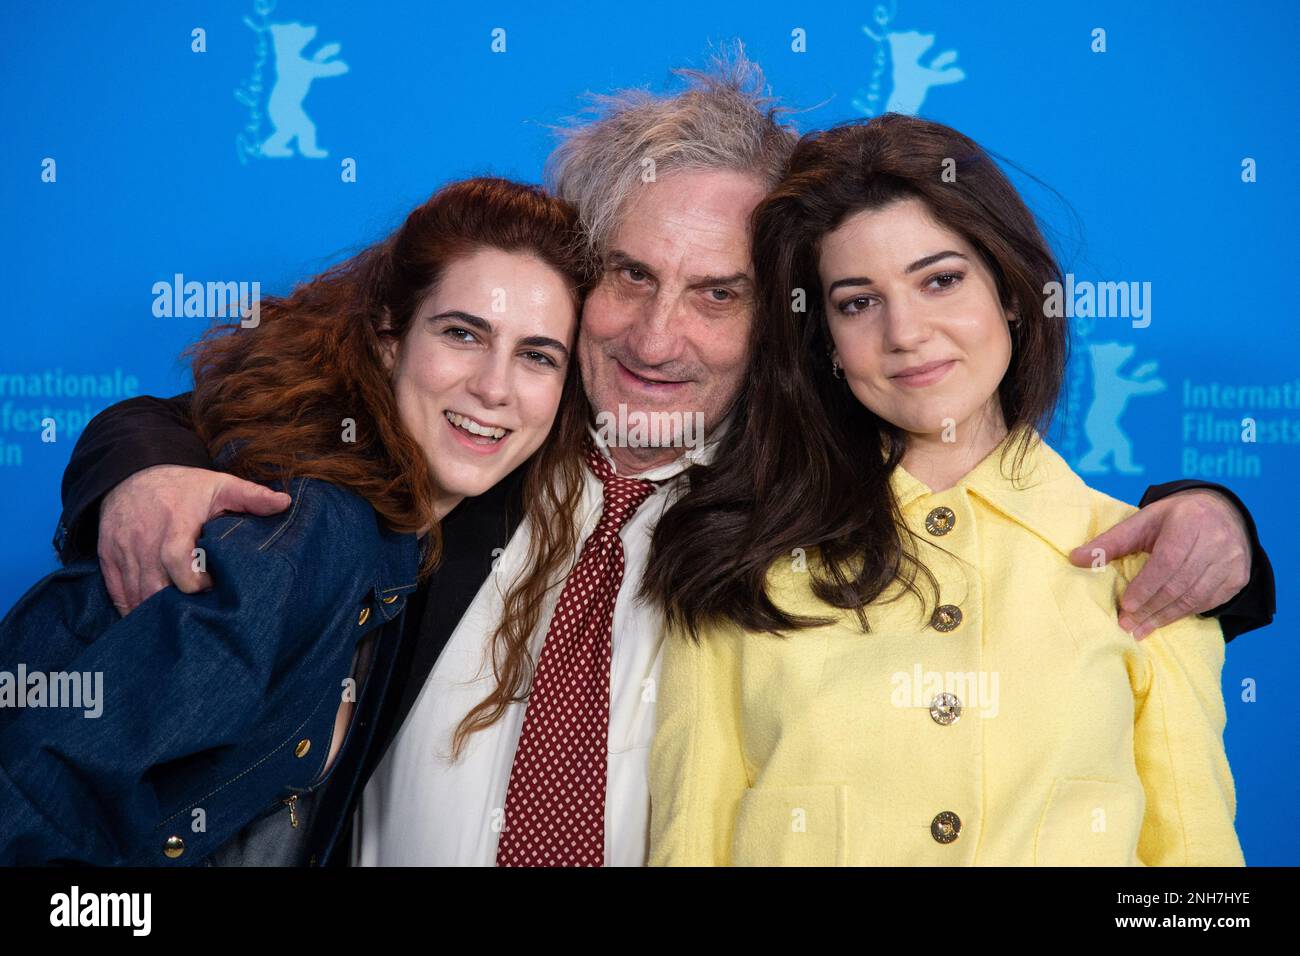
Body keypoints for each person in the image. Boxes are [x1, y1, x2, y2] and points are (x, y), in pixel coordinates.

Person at [52, 50, 1273, 867]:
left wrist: (1210, 514)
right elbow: (211, 415)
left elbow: (989, 492)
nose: (655, 334)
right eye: (629, 275)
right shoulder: (463, 441)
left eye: (717, 294)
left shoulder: (811, 500)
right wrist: (138, 469)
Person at [646, 114, 1246, 866]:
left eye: (940, 280)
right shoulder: (739, 560)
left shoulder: (1152, 562)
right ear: (824, 341)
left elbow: (1197, 875)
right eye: (858, 301)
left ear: (1012, 294)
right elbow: (686, 844)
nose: (906, 332)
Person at [0, 177, 593, 865]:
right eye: (463, 334)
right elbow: (41, 805)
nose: (494, 387)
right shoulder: (310, 529)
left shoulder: (428, 530)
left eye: (536, 356)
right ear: (387, 340)